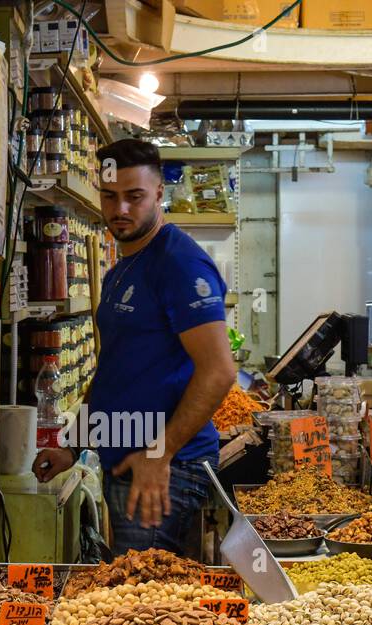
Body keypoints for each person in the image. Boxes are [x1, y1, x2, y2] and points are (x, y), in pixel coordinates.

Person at [31, 139, 236, 556]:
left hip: (166, 472)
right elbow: (116, 371)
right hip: (128, 461)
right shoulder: (123, 269)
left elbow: (219, 371)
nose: (120, 209)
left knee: (144, 607)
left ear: (159, 193)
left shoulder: (178, 264)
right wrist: (74, 443)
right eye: (110, 196)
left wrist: (159, 454)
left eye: (134, 196)